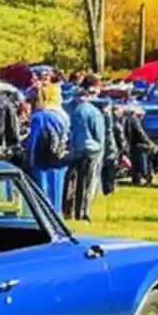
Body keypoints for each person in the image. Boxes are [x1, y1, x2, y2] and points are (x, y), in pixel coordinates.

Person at [64, 76, 106, 222]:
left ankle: (68, 210)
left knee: (73, 181)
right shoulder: (94, 112)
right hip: (92, 149)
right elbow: (99, 135)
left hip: (76, 148)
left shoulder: (73, 110)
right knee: (87, 182)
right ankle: (83, 212)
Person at [25, 84, 71, 215]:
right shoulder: (63, 115)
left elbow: (33, 142)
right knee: (57, 191)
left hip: (42, 159)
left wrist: (29, 161)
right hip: (59, 157)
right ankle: (57, 217)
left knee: (42, 192)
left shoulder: (39, 116)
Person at [122, 107, 156, 186]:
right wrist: (150, 142)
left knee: (136, 164)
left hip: (134, 144)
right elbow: (140, 133)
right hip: (138, 145)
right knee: (141, 164)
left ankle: (137, 180)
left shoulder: (130, 119)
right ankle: (144, 178)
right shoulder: (135, 120)